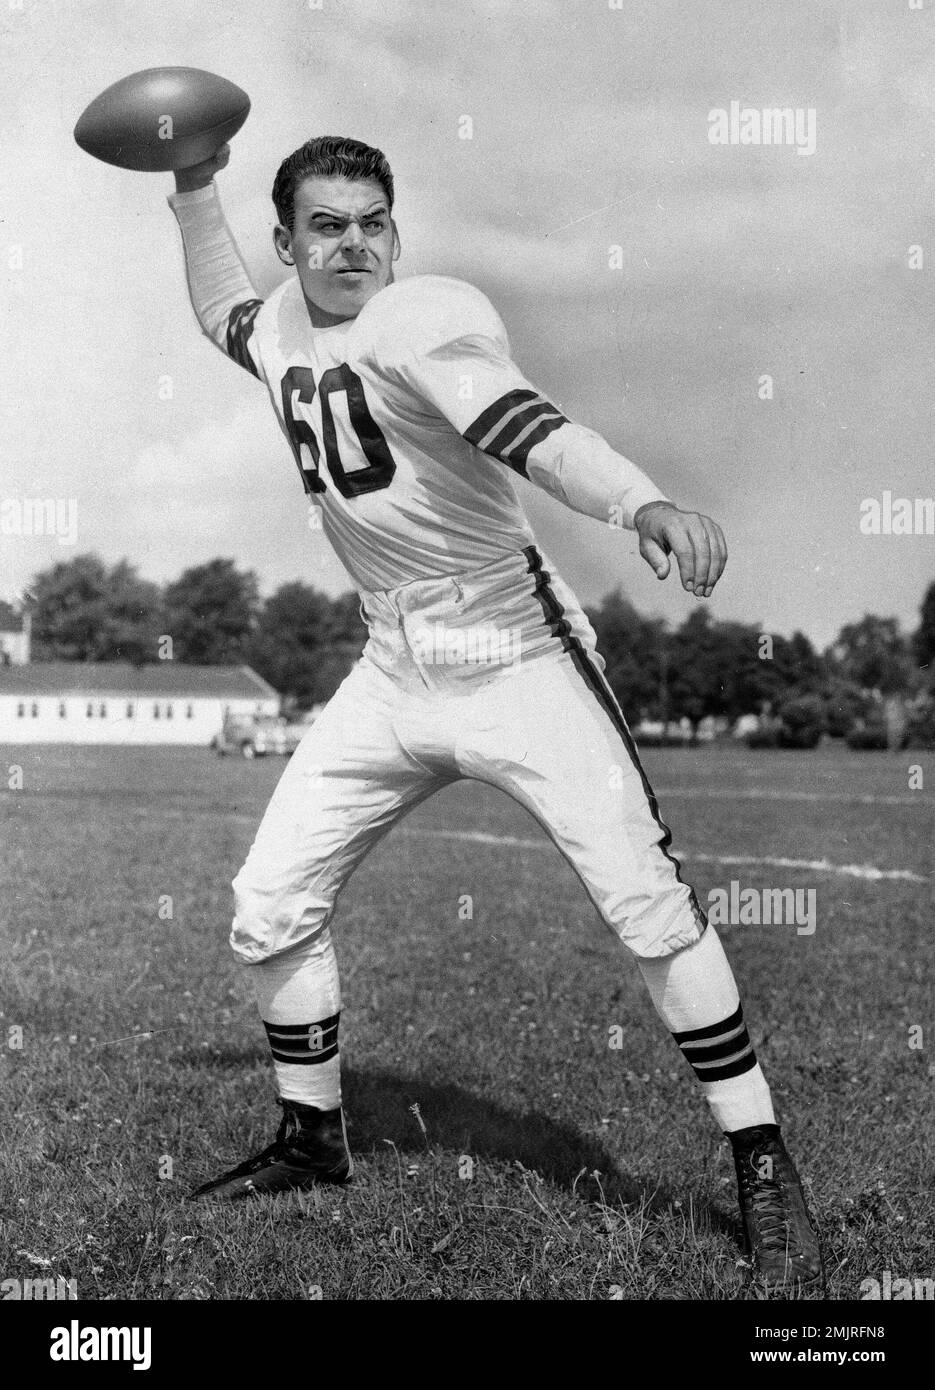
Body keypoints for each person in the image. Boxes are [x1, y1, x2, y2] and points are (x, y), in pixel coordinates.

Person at [166, 135, 822, 1289]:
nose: (354, 242)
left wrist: (639, 501)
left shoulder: (420, 318)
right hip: (390, 658)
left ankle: (760, 1162)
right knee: (267, 902)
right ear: (288, 244)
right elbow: (224, 308)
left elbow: (529, 427)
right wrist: (189, 187)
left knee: (646, 905)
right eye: (326, 225)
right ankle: (313, 1140)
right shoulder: (276, 326)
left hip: (512, 644)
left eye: (373, 219)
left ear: (396, 232)